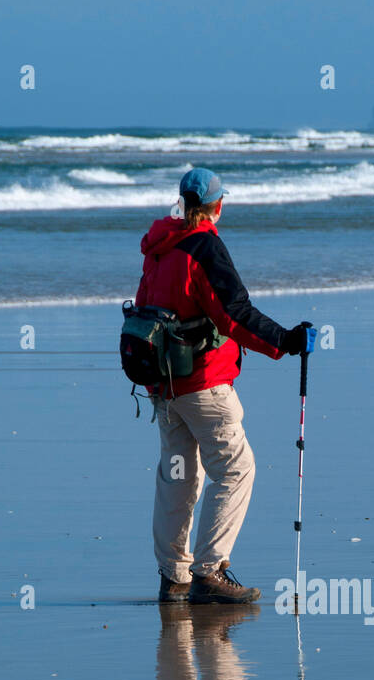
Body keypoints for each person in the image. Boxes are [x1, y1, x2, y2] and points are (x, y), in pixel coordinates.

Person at [134, 167, 313, 604]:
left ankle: (173, 578)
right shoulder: (204, 247)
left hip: (163, 385)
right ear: (217, 206)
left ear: (182, 203)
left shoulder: (159, 246)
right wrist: (286, 341)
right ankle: (209, 573)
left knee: (178, 477)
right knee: (236, 469)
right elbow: (233, 314)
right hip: (203, 383)